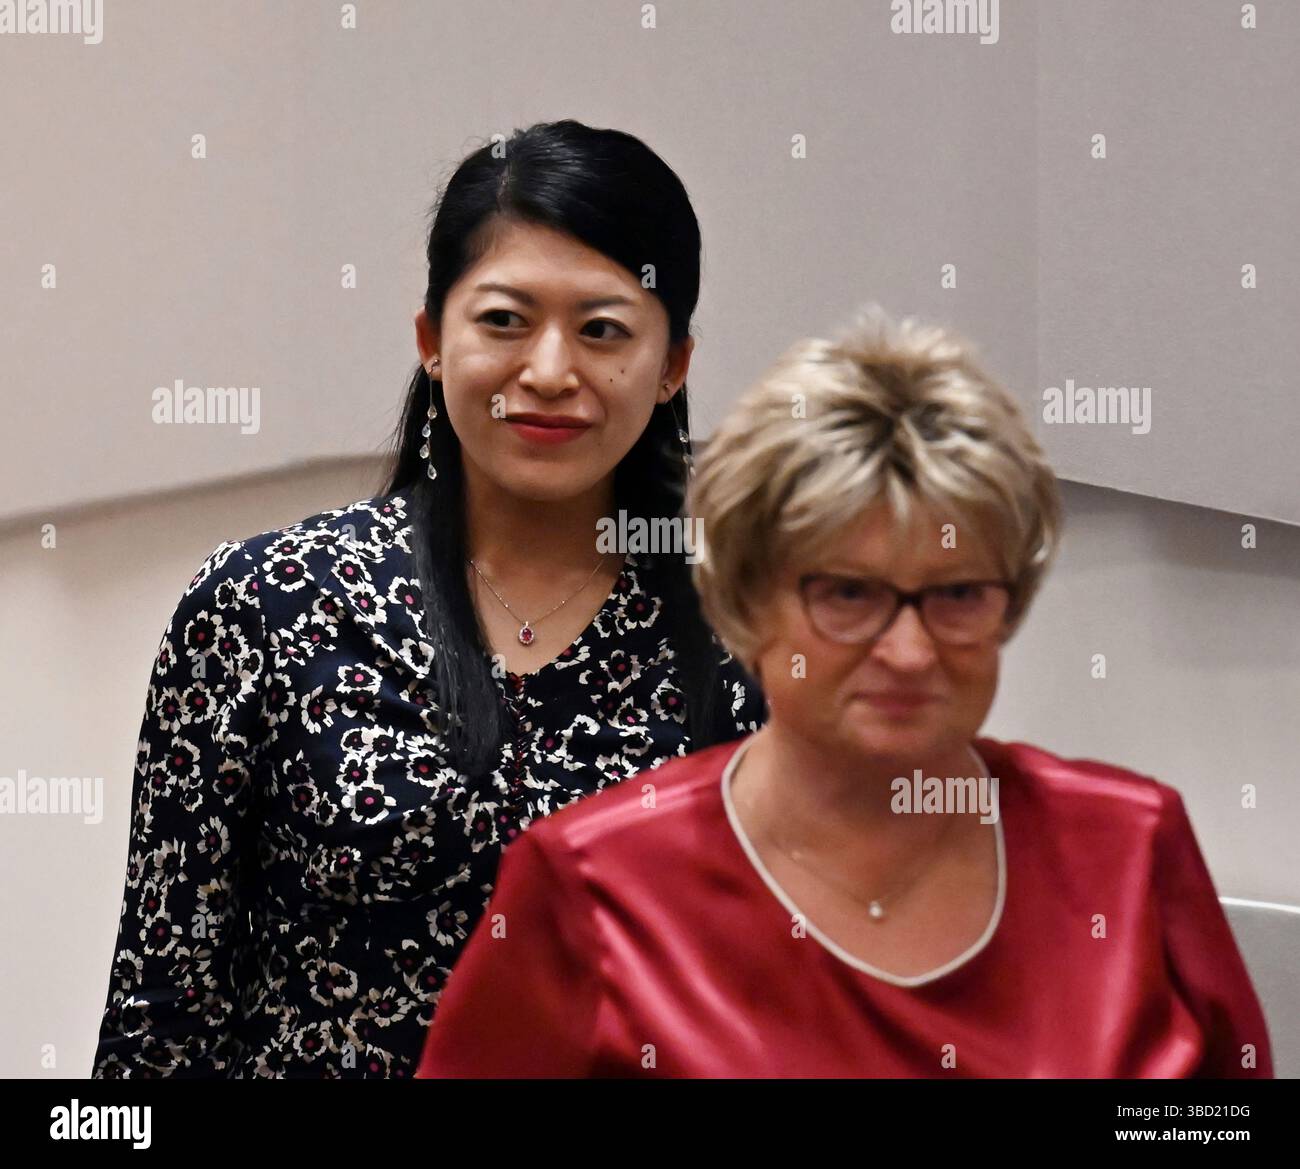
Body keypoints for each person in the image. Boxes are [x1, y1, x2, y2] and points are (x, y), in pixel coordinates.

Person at [415, 304, 1273, 1078]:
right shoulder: (595, 887)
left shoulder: (1127, 844)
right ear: (748, 602)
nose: (908, 650)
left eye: (958, 595)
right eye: (849, 595)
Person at [91, 119, 765, 1078]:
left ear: (674, 366)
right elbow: (160, 1019)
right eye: (503, 319)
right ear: (430, 339)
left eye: (603, 329)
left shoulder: (752, 638)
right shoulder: (266, 606)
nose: (548, 370)